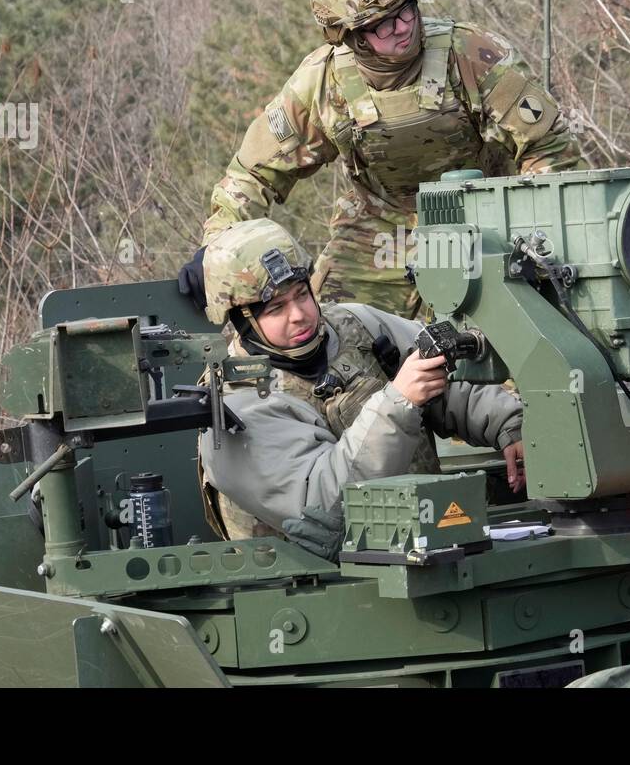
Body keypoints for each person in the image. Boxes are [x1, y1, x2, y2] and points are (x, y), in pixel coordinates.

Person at [180, 0, 583, 320]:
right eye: (381, 25)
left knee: (508, 340)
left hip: (484, 218)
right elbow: (253, 175)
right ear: (349, 36)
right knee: (334, 335)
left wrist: (538, 235)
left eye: (406, 10)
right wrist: (216, 248)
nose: (402, 27)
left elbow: (549, 147)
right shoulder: (323, 83)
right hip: (380, 228)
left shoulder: (471, 54)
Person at [196, 218, 525, 559]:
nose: (299, 315)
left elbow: (446, 378)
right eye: (276, 308)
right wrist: (399, 402)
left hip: (426, 545)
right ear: (242, 320)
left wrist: (508, 425)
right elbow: (324, 506)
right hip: (317, 580)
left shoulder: (353, 326)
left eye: (302, 294)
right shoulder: (238, 404)